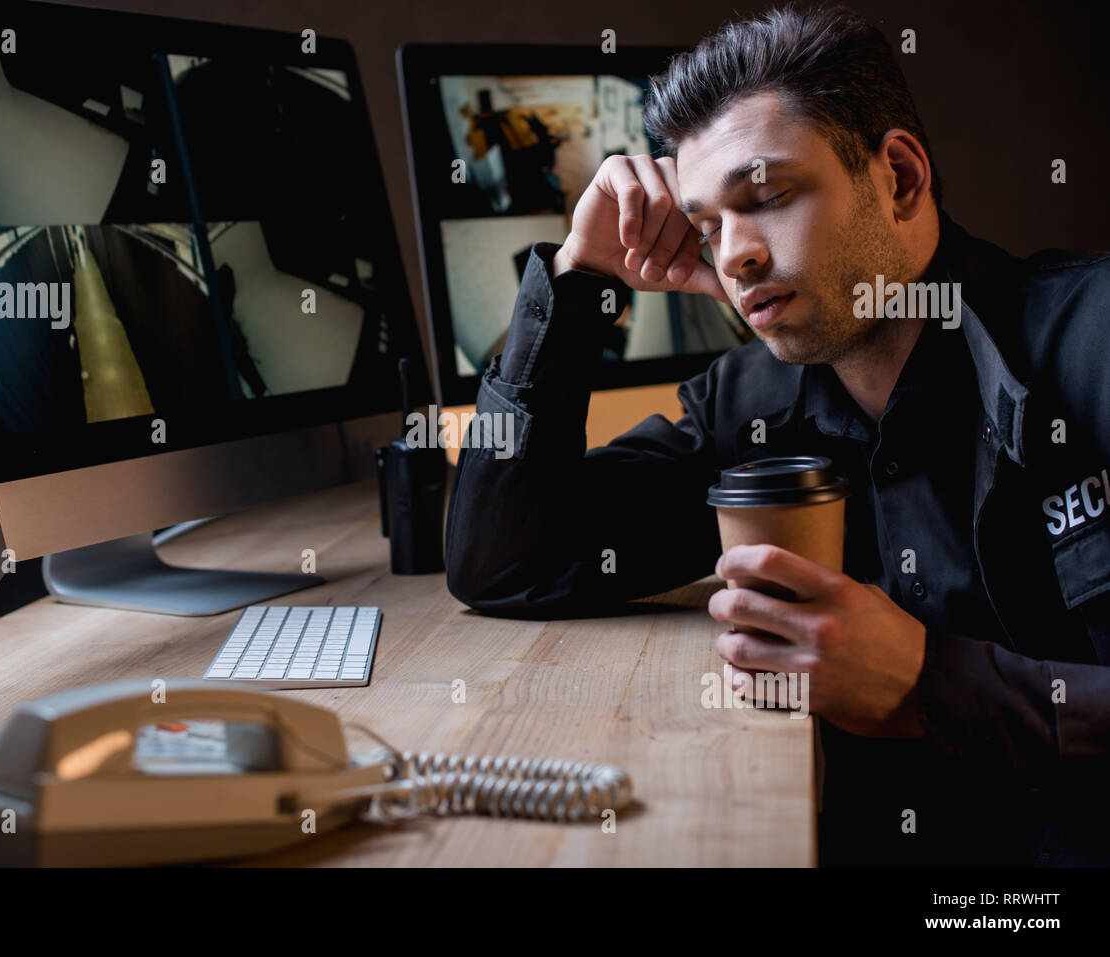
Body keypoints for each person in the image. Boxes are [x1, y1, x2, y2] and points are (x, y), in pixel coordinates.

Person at [444, 3, 1110, 866]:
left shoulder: (1092, 340)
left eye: (767, 197)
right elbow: (506, 561)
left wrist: (930, 682)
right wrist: (578, 281)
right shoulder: (744, 407)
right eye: (709, 225)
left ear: (899, 178)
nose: (735, 257)